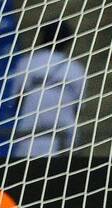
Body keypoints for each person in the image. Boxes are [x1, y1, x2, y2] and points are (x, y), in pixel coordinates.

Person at [8, 21, 86, 157]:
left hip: (29, 136)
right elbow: (79, 107)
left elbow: (15, 100)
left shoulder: (26, 63)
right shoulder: (76, 69)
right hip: (64, 138)